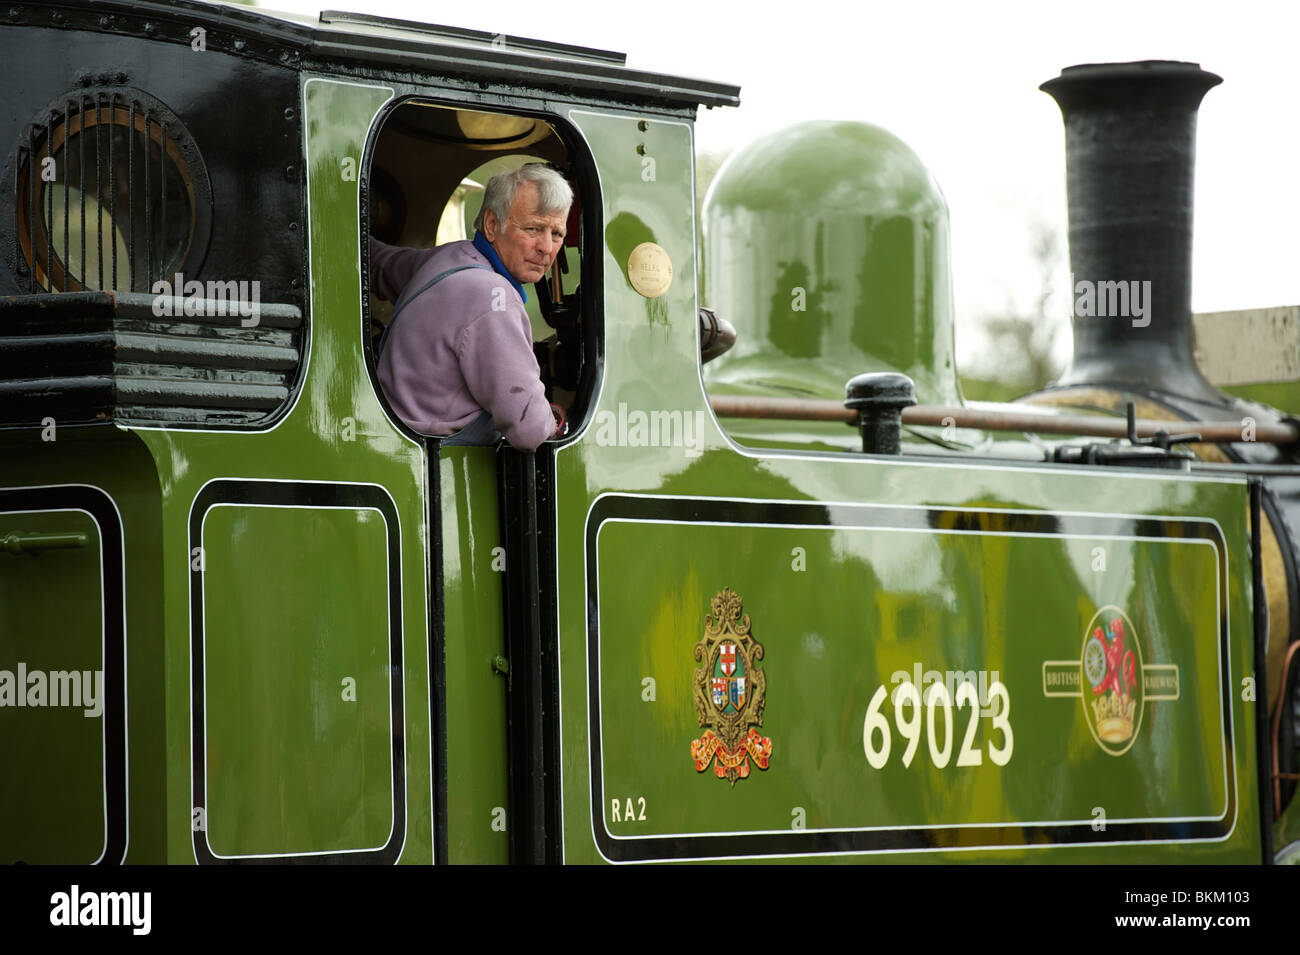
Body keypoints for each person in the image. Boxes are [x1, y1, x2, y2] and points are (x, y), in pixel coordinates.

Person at [371, 163, 573, 450]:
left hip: (388, 444)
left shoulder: (447, 258)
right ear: (492, 225)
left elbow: (376, 263)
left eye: (557, 234)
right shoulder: (494, 298)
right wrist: (554, 419)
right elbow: (529, 430)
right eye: (533, 228)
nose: (547, 247)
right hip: (434, 467)